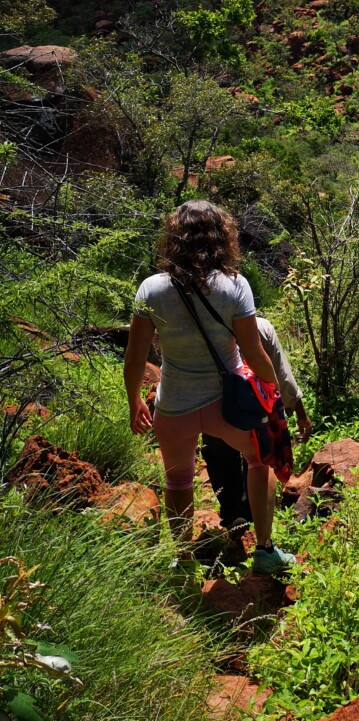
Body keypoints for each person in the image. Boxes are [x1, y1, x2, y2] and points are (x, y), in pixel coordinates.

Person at [123, 199, 295, 575]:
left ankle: (181, 558)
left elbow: (135, 358)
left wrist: (135, 400)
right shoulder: (235, 285)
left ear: (174, 238)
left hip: (173, 405)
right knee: (258, 460)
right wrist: (272, 390)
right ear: (222, 237)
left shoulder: (151, 289)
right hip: (227, 404)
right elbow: (253, 350)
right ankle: (265, 551)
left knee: (178, 479)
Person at [202, 316, 312, 531]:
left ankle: (234, 513)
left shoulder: (201, 326)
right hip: (254, 406)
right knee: (257, 458)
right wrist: (300, 412)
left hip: (213, 406)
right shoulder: (260, 326)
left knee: (219, 456)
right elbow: (281, 373)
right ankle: (255, 517)